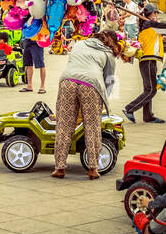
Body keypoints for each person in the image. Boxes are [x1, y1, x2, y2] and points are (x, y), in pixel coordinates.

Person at [50, 27, 123, 180]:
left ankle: (59, 168)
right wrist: (104, 99)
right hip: (91, 85)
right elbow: (109, 80)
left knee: (64, 124)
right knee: (92, 126)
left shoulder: (79, 44)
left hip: (68, 81)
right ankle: (93, 169)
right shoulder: (108, 53)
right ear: (111, 42)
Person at [123, 3, 166, 125]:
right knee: (151, 90)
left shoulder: (147, 26)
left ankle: (148, 115)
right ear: (150, 14)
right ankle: (130, 108)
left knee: (148, 88)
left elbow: (163, 39)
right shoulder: (151, 25)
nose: (156, 15)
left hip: (148, 60)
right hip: (149, 60)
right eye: (155, 13)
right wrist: (158, 24)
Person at [19, 27, 47, 94]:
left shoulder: (40, 16)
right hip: (27, 39)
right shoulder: (27, 16)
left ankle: (42, 86)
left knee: (40, 63)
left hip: (38, 38)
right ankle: (29, 86)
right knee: (28, 64)